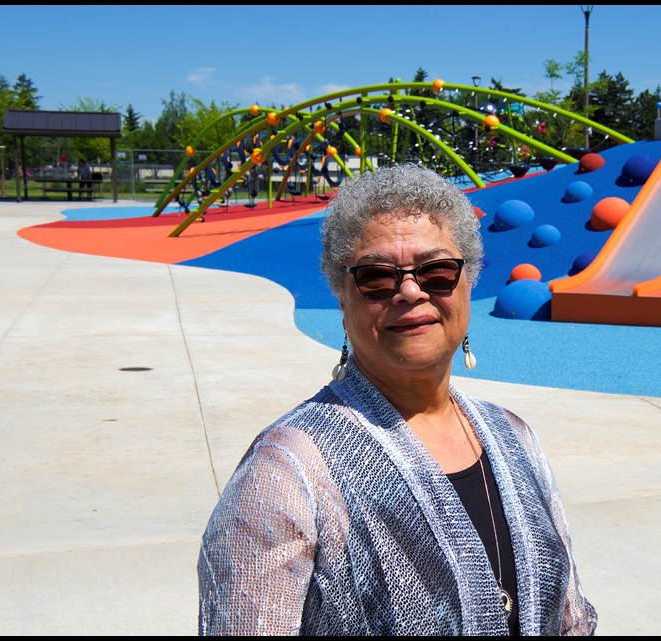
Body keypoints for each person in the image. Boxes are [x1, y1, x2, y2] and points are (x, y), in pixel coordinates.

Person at [197, 164, 596, 636]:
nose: (410, 290)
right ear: (343, 300)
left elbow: (571, 619)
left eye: (437, 271)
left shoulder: (515, 437)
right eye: (376, 277)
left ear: (467, 284)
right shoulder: (287, 472)